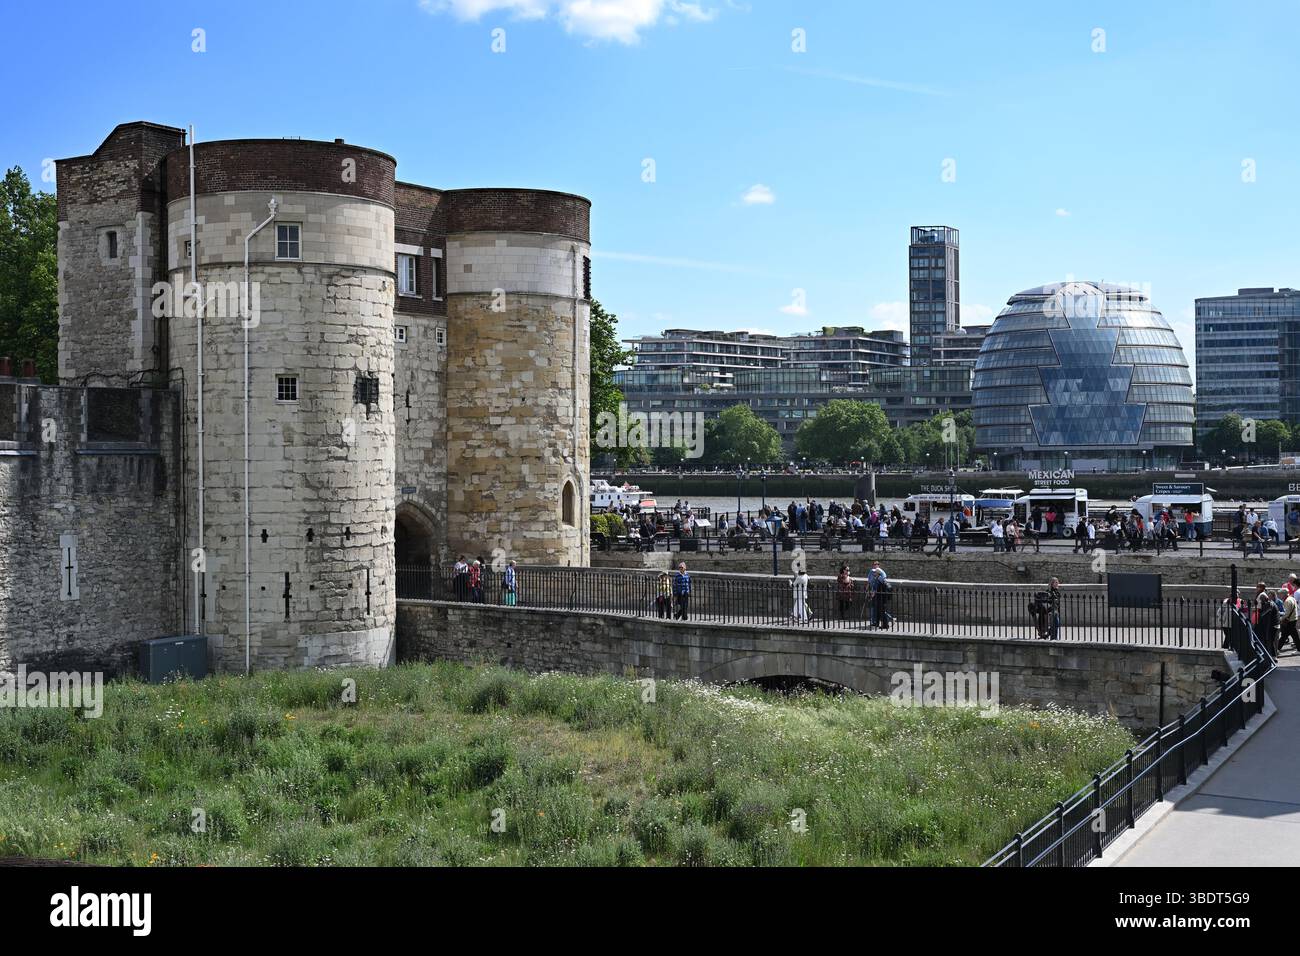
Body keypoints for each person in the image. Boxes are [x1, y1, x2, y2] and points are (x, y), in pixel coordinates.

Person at [867, 561, 892, 629]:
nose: (874, 573)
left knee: (882, 611)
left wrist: (873, 594)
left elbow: (877, 588)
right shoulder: (879, 578)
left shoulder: (879, 579)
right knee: (879, 611)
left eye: (875, 572)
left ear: (878, 573)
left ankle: (885, 625)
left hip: (880, 598)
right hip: (880, 597)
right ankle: (878, 624)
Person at [1281, 584, 1299, 654]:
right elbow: (1297, 608)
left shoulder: (1287, 601)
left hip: (1290, 620)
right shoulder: (1292, 598)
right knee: (1293, 635)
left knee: (1286, 635)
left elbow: (1286, 613)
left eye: (1281, 594)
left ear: (1284, 594)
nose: (1280, 595)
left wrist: (1281, 619)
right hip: (1293, 619)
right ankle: (1278, 649)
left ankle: (1277, 649)